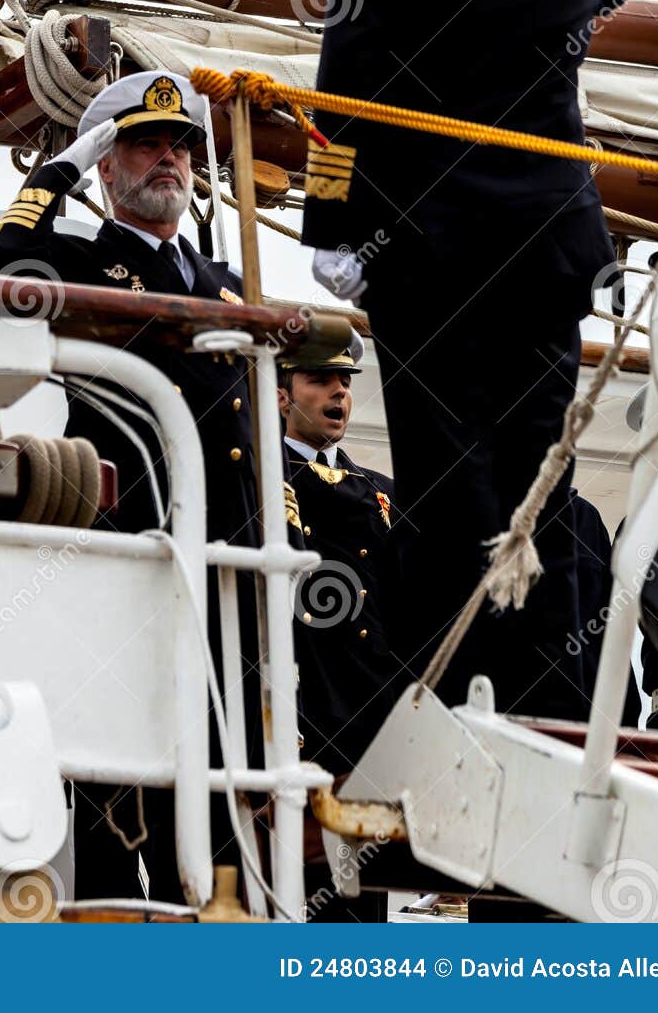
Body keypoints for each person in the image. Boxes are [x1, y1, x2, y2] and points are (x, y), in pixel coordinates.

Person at [302, 0, 637, 720]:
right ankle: (545, 705)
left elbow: (346, 84)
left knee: (444, 480)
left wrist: (329, 223)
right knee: (539, 481)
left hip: (428, 250)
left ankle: (443, 699)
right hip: (548, 250)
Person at [0, 69, 261, 902]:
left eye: (178, 145)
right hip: (125, 556)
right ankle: (113, 940)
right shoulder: (81, 259)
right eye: (143, 142)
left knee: (218, 769)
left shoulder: (224, 284)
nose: (168, 158)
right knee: (116, 776)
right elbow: (5, 258)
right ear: (109, 163)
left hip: (227, 556)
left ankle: (212, 932)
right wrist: (63, 164)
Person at [278, 333, 402, 924]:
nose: (339, 393)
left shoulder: (383, 491)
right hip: (301, 706)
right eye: (320, 381)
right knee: (289, 878)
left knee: (361, 896)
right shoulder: (259, 477)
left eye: (346, 383)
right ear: (282, 396)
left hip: (370, 711)